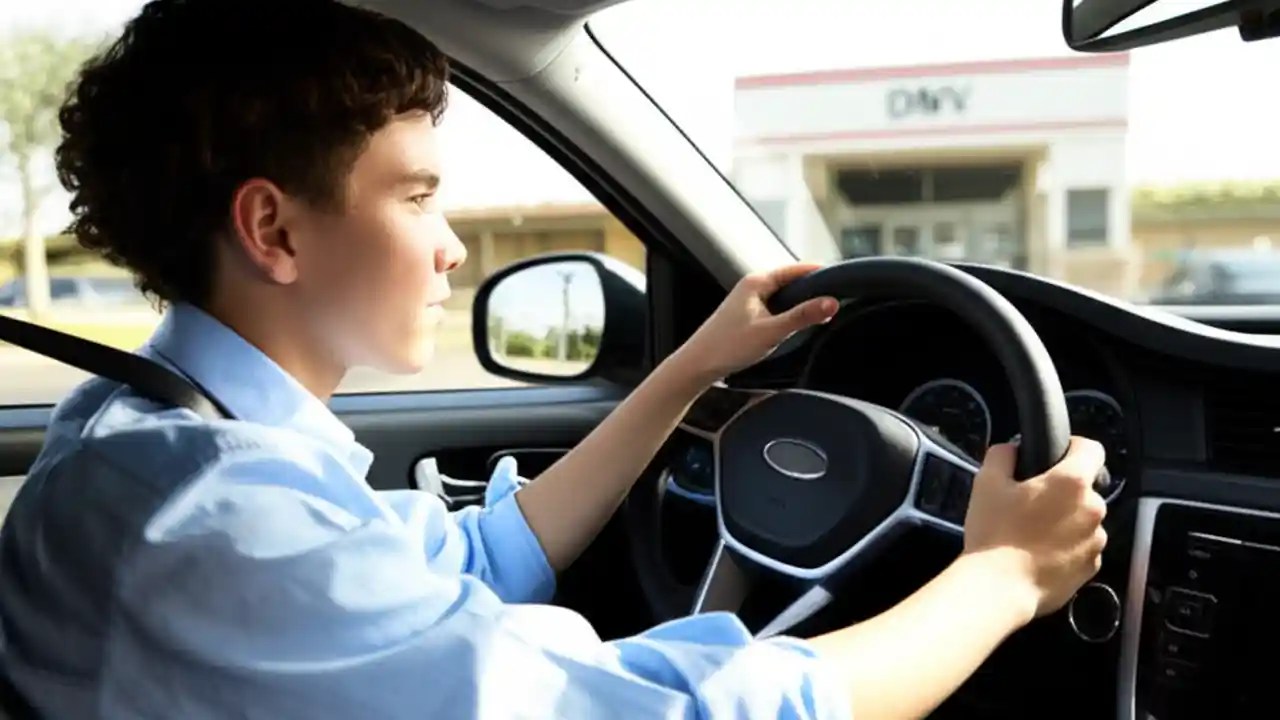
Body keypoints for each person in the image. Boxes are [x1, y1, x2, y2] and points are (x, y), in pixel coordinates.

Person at [0, 0, 1108, 718]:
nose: (450, 247)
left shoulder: (157, 432)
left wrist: (686, 371)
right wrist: (1003, 577)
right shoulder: (224, 519)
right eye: (417, 198)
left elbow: (478, 558)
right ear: (273, 231)